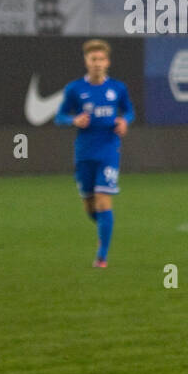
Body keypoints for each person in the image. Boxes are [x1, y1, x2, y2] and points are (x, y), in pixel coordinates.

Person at [54, 40, 135, 268]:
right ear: (86, 62)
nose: (97, 63)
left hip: (109, 149)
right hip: (84, 151)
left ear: (107, 62)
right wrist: (73, 120)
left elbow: (129, 111)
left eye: (101, 59)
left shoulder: (118, 88)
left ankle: (102, 256)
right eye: (93, 59)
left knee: (103, 199)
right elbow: (59, 117)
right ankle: (104, 228)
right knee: (91, 207)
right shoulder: (75, 89)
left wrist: (124, 121)